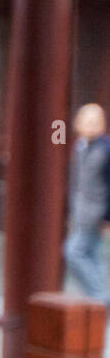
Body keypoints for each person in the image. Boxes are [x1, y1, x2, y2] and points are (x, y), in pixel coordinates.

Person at [63, 103, 110, 304]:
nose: (90, 125)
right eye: (86, 121)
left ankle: (100, 297)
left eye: (94, 121)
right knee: (92, 254)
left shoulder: (105, 149)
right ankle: (98, 297)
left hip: (96, 211)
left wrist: (107, 217)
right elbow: (76, 182)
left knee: (73, 251)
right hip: (81, 210)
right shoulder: (80, 146)